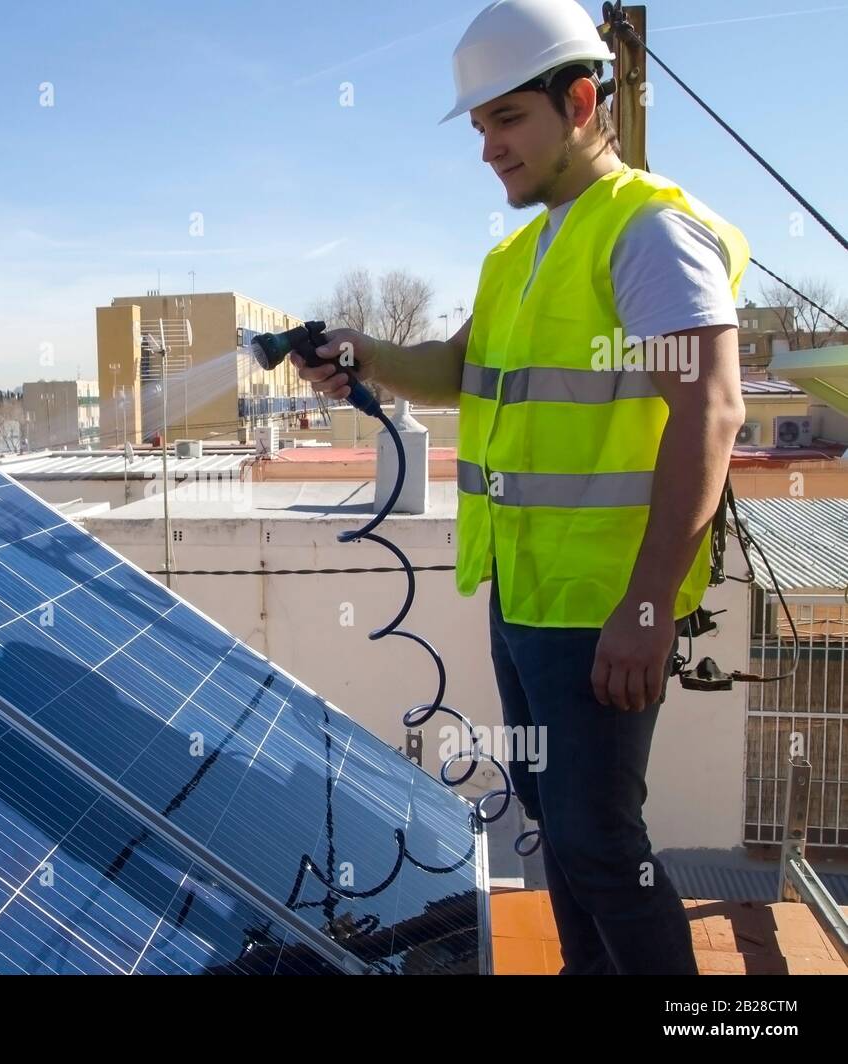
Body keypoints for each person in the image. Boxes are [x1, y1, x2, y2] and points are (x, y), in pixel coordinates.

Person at [290, 0, 748, 975]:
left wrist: (644, 602)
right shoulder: (519, 254)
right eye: (479, 126)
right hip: (526, 594)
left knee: (597, 839)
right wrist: (360, 354)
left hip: (601, 600)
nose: (487, 147)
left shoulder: (646, 233)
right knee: (558, 824)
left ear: (579, 101)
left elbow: (710, 412)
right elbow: (456, 369)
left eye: (506, 120)